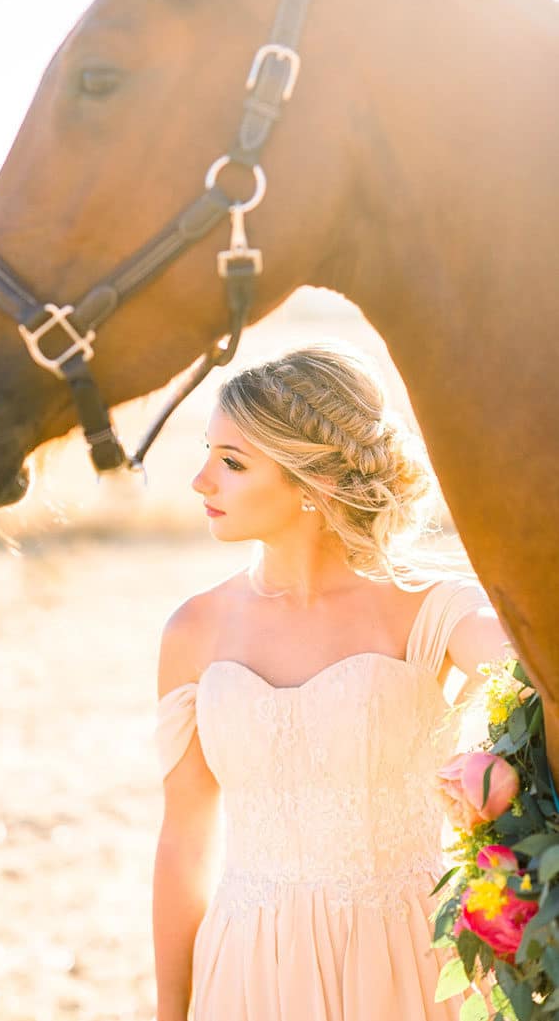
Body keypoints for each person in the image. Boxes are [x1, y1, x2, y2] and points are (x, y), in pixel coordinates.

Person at [152, 342, 509, 1021]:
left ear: (312, 482)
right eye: (207, 454)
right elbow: (183, 843)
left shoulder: (433, 608)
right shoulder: (193, 629)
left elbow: (535, 678)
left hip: (408, 958)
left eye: (231, 463)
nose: (200, 481)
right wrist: (172, 1010)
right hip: (248, 966)